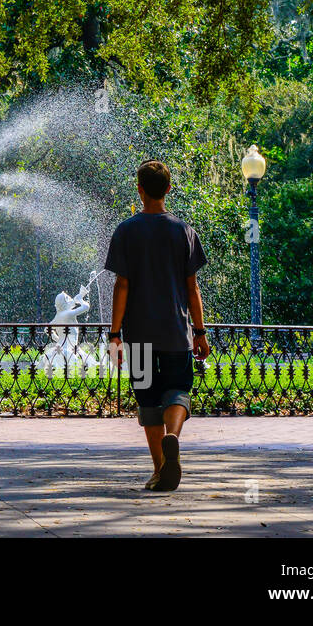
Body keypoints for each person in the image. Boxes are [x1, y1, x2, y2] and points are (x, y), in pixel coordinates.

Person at [104, 159, 210, 493]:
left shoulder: (126, 231)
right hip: (176, 333)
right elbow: (192, 288)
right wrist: (200, 331)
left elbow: (122, 286)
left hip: (139, 336)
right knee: (178, 391)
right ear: (168, 188)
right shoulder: (183, 231)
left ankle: (160, 469)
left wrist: (115, 334)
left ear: (139, 189)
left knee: (148, 402)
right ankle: (172, 437)